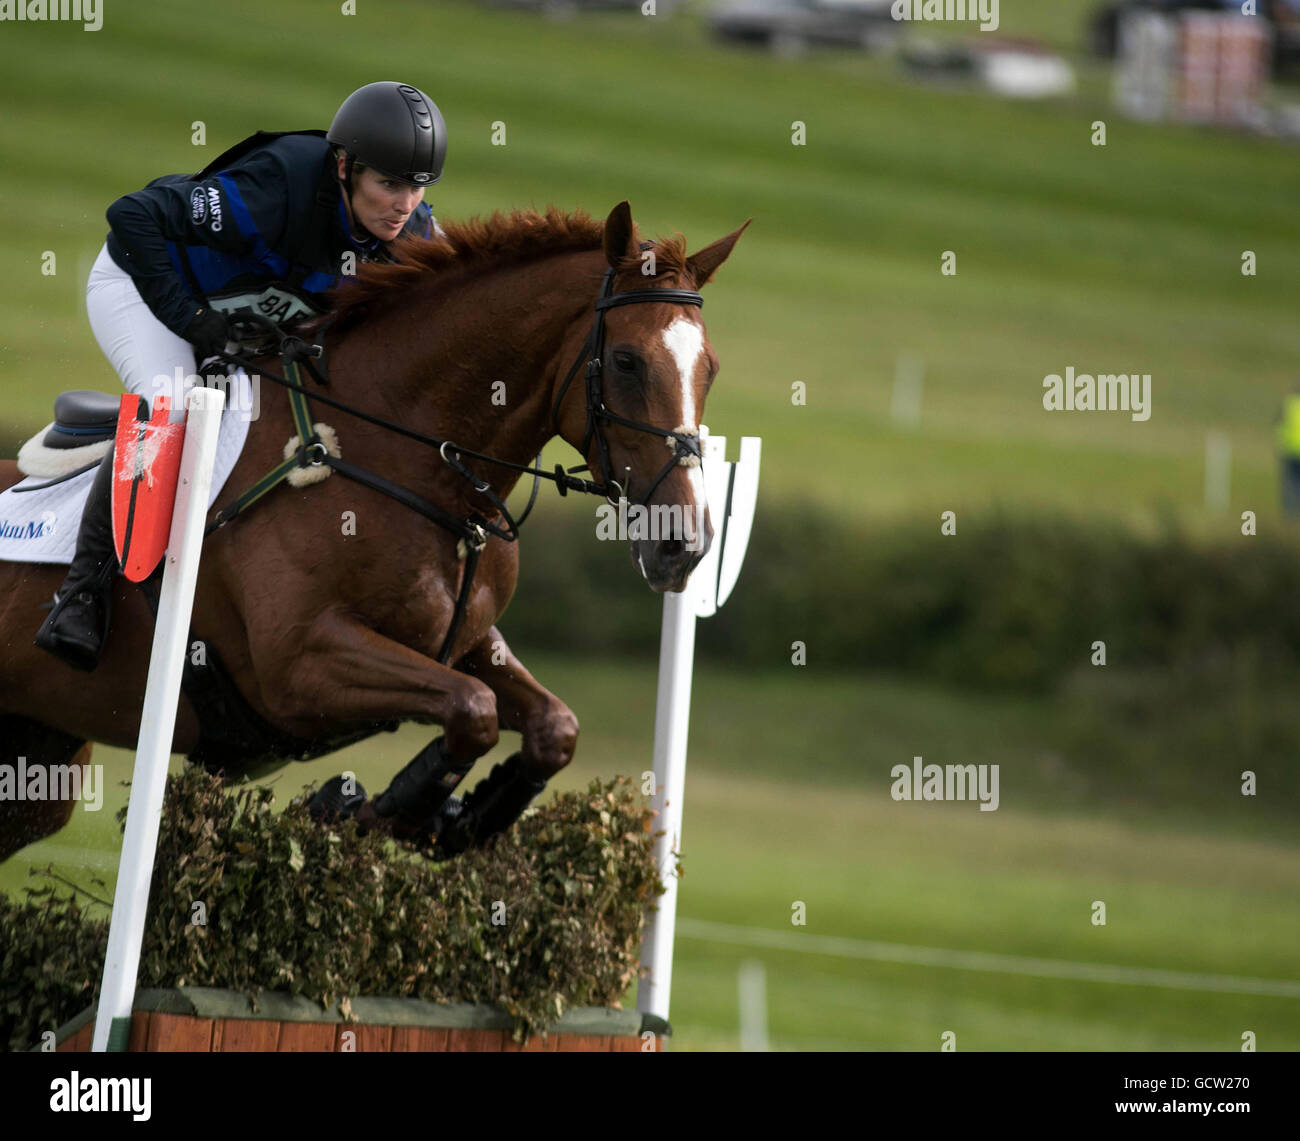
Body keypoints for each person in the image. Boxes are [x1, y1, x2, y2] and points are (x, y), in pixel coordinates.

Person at [35, 81, 446, 670]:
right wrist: (190, 318)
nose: (403, 204)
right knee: (173, 400)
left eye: (416, 187)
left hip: (237, 317)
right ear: (344, 167)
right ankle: (81, 592)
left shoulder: (414, 234)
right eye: (388, 184)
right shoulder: (275, 188)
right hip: (142, 287)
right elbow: (131, 216)